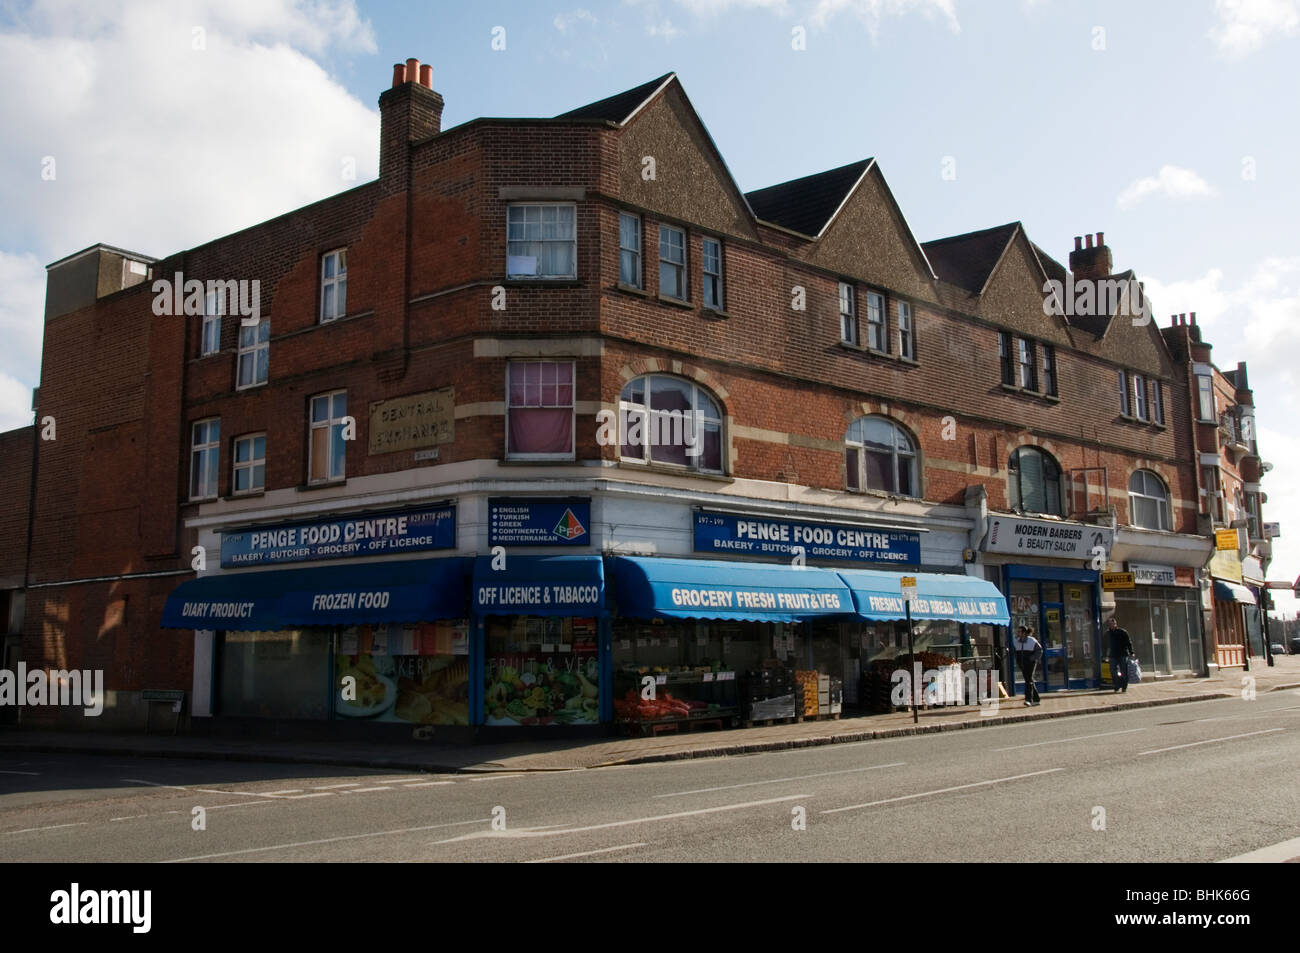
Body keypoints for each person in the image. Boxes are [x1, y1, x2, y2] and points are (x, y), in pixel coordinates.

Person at [1013, 624, 1042, 706]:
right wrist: (1018, 660)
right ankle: (1036, 699)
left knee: (1028, 680)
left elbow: (1039, 650)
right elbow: (1014, 652)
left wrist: (1032, 659)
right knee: (1029, 680)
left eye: (1019, 631)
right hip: (1022, 664)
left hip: (1031, 664)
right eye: (1017, 631)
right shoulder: (1016, 641)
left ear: (1024, 633)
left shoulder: (1032, 640)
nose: (1017, 633)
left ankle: (1028, 699)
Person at [1107, 616, 1134, 693]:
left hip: (1123, 654)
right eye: (1109, 625)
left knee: (1124, 671)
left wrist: (1131, 652)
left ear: (1115, 624)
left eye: (1112, 624)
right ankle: (1117, 684)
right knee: (1112, 671)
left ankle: (1124, 686)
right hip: (1113, 655)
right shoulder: (1108, 633)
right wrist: (1105, 655)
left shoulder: (1122, 632)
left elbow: (1129, 643)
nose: (1111, 626)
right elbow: (1105, 645)